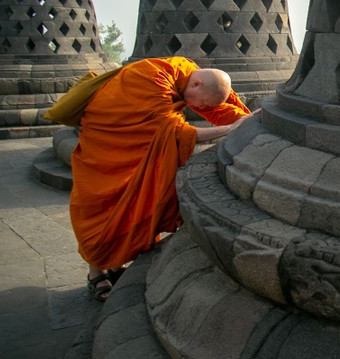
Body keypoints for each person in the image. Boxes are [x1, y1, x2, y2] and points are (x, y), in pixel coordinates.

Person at [67, 57, 253, 301]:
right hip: (104, 148)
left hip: (135, 148)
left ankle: (115, 265)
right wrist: (228, 130)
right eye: (202, 103)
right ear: (196, 85)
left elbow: (218, 106)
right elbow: (174, 134)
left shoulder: (186, 73)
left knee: (133, 204)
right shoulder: (153, 82)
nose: (202, 109)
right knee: (101, 209)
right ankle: (96, 273)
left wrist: (252, 121)